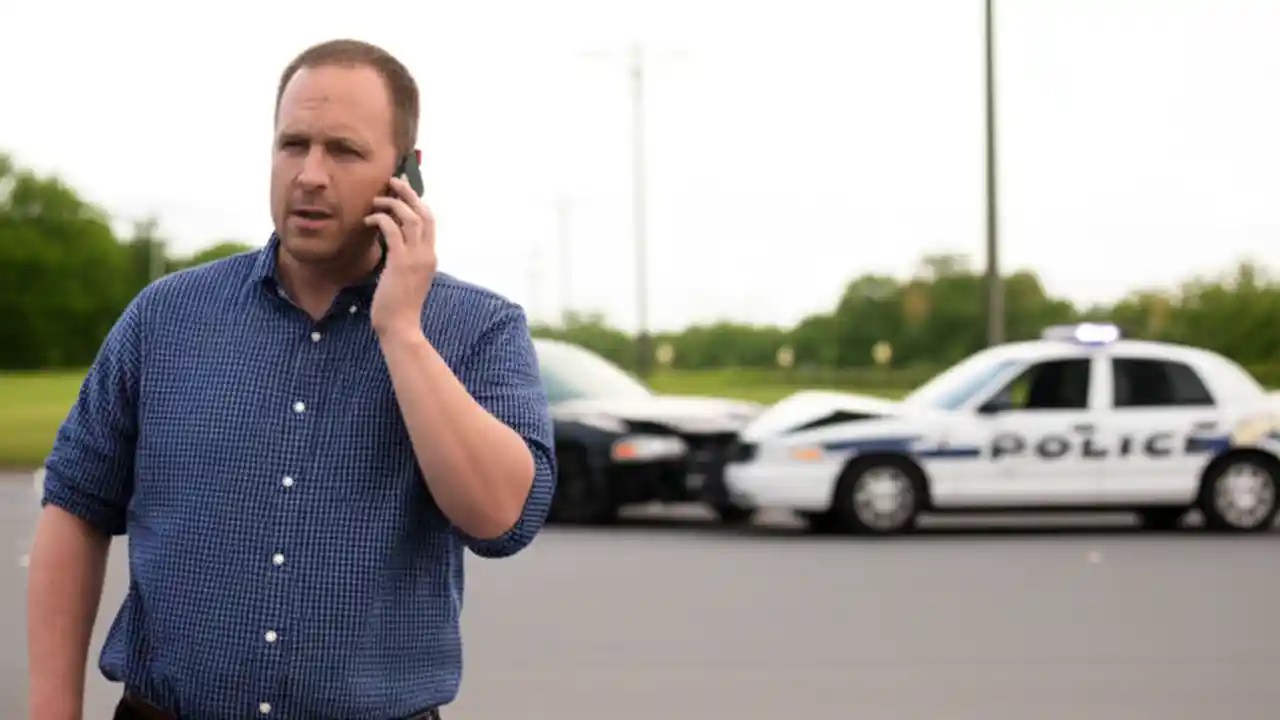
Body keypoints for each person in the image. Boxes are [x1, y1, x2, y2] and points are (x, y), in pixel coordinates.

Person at [26, 38, 557, 719]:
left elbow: (502, 520)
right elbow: (75, 505)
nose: (309, 174)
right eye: (293, 144)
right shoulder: (166, 317)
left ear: (407, 173)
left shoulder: (478, 328)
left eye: (344, 150)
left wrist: (401, 330)